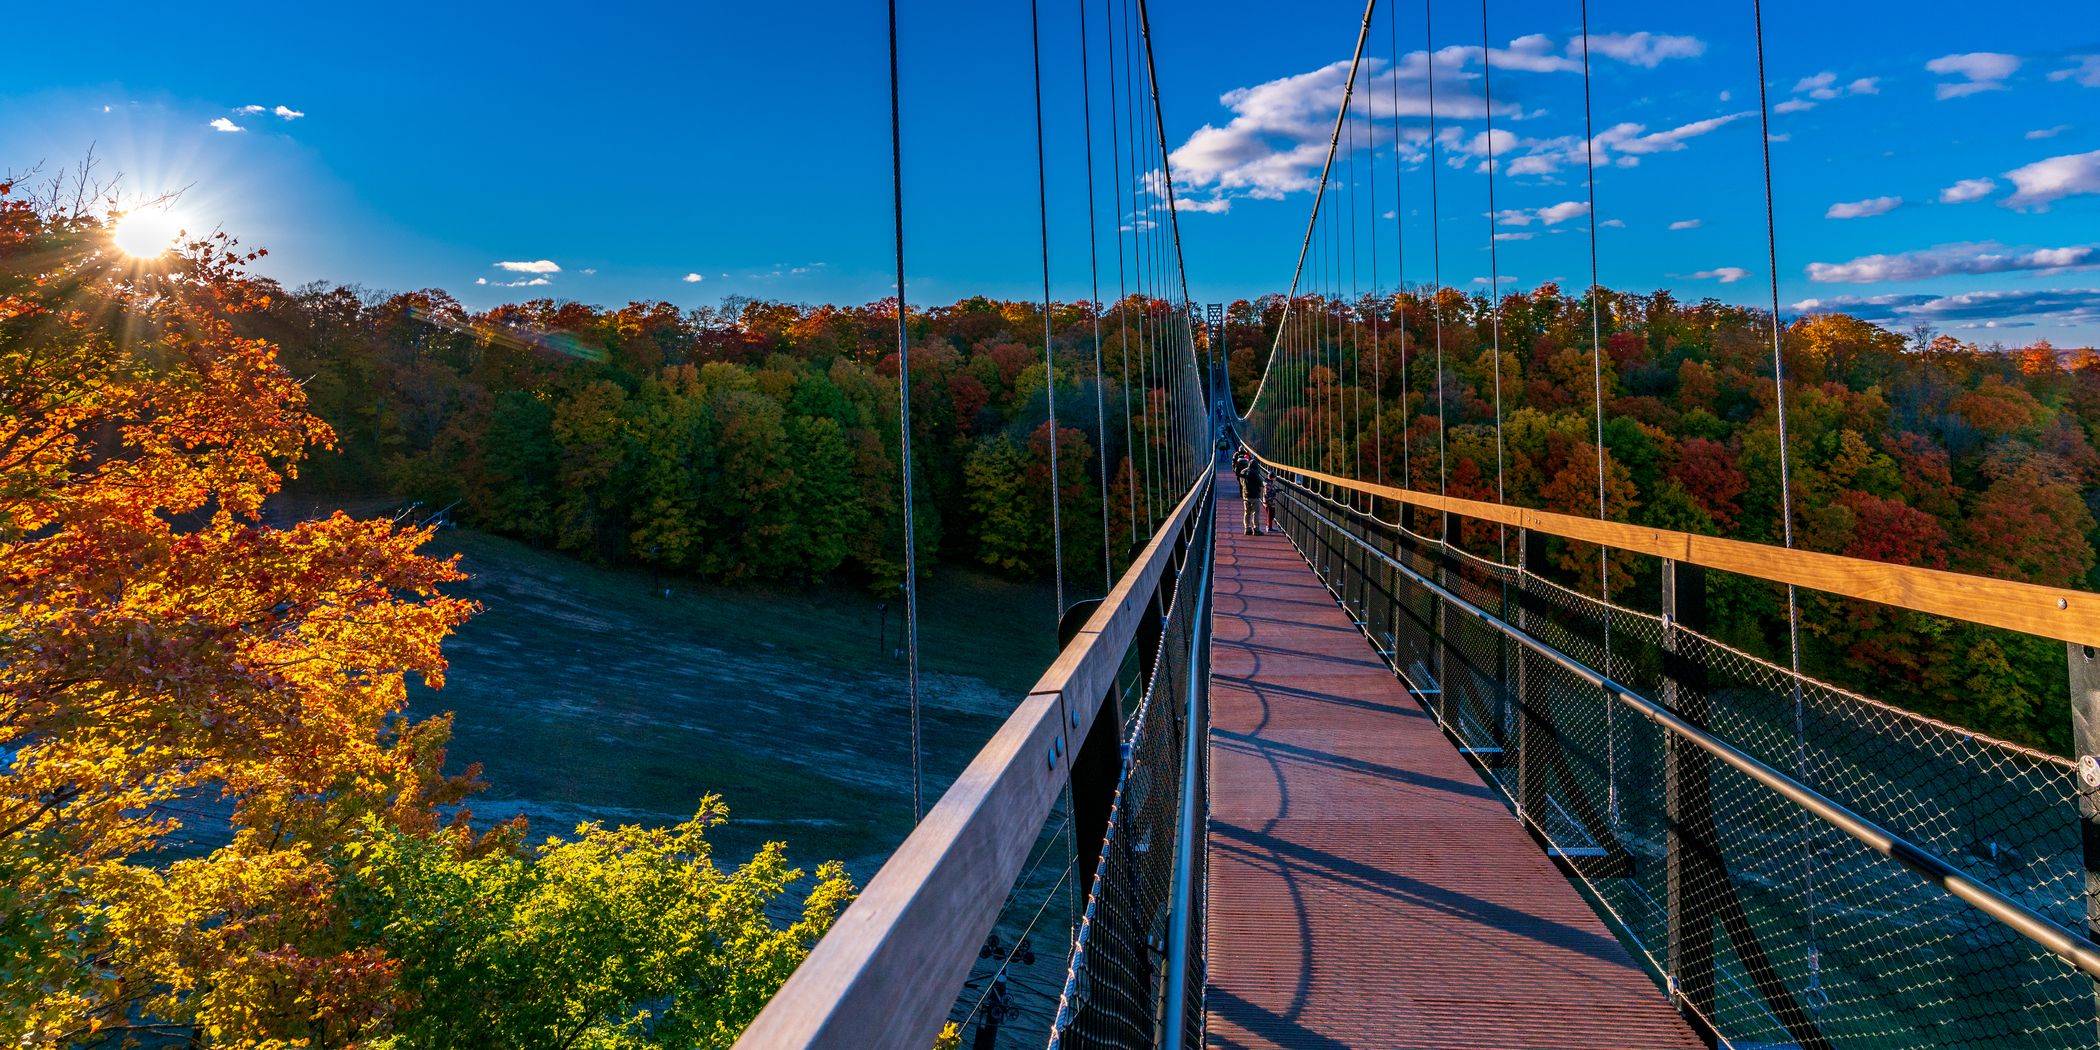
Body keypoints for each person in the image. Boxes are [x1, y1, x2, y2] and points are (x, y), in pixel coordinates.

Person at [1234, 453, 1265, 534]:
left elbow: (1241, 483)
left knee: (1247, 512)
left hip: (1245, 496)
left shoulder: (1243, 472)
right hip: (1254, 496)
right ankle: (1256, 529)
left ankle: (1247, 529)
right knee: (1256, 513)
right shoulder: (1255, 473)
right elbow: (1260, 484)